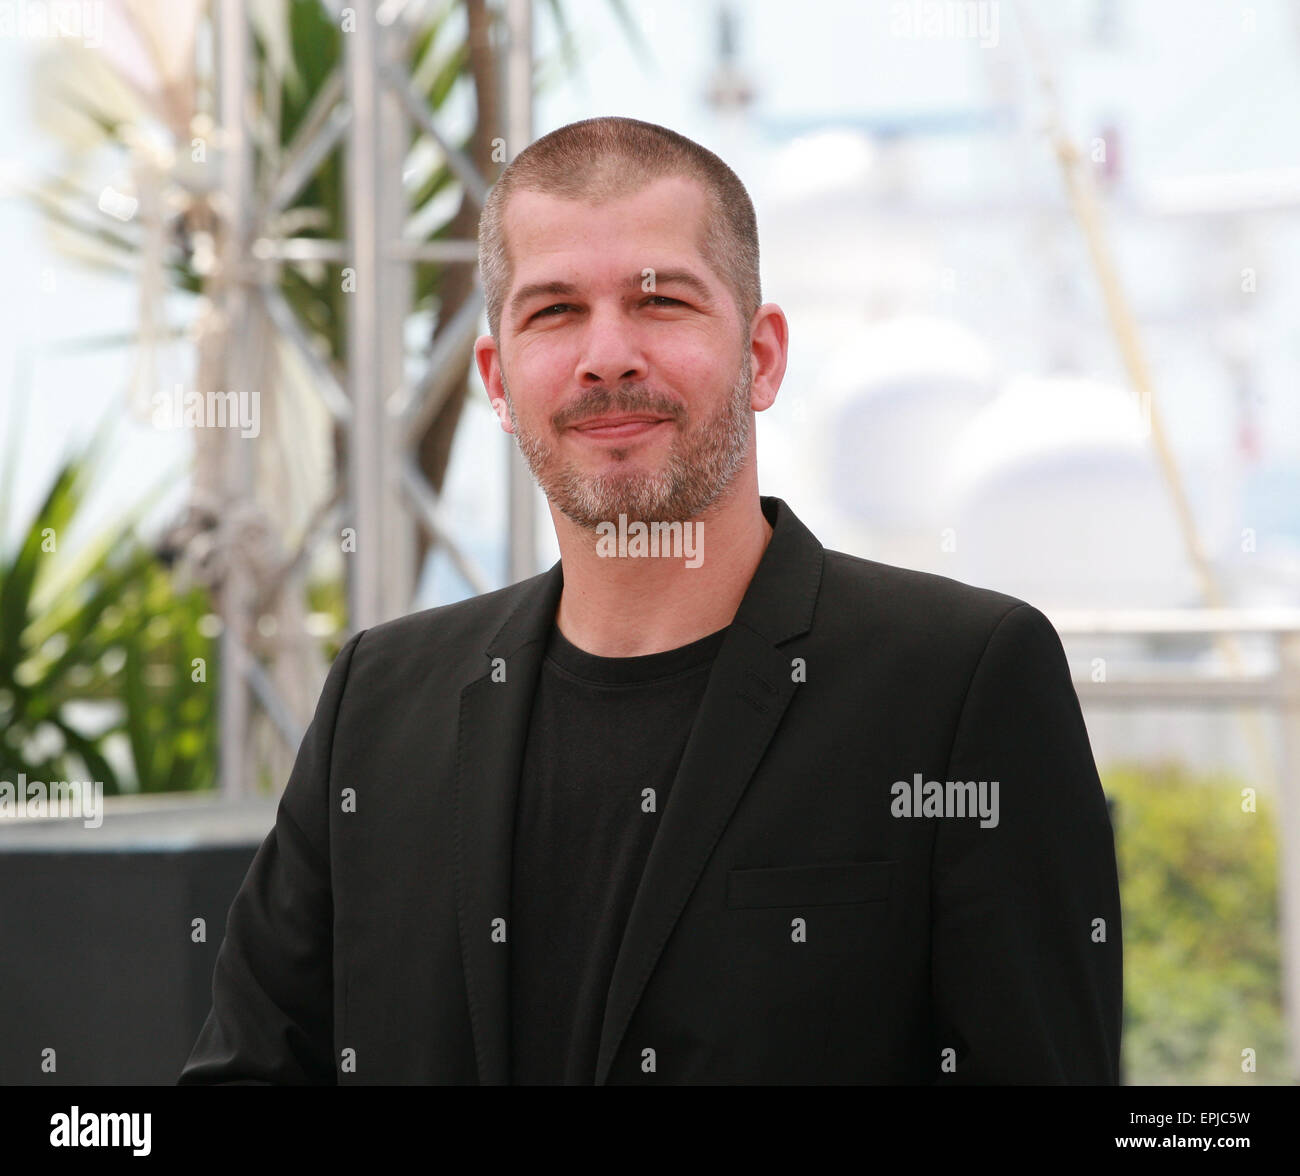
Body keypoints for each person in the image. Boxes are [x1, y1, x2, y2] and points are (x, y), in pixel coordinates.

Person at [180, 116, 1122, 1085]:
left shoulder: (961, 682)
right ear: (498, 382)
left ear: (760, 357)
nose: (607, 355)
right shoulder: (376, 703)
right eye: (553, 312)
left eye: (661, 301)